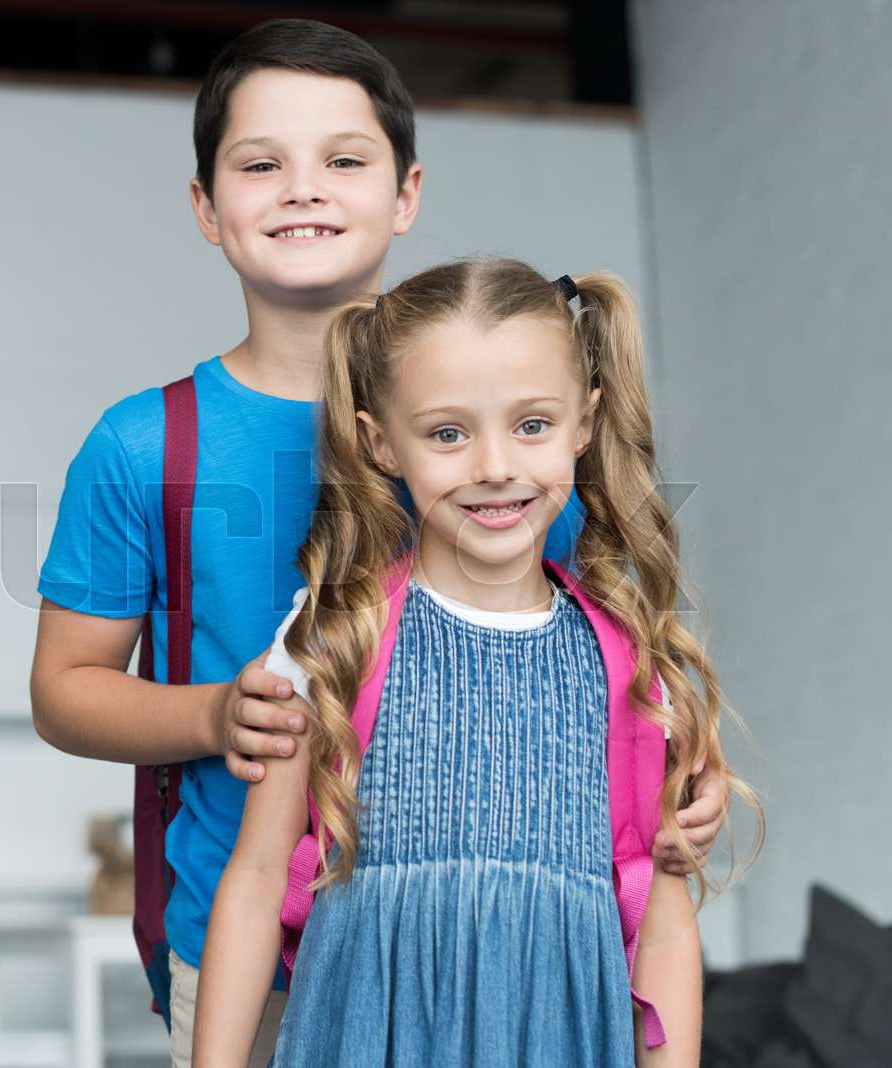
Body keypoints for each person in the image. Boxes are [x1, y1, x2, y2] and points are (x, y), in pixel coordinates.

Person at [29, 21, 730, 1066]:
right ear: (204, 206)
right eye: (260, 164)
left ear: (405, 193)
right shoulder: (145, 443)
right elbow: (63, 690)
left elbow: (600, 677)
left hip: (509, 977)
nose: (303, 189)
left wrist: (676, 782)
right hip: (251, 952)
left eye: (343, 160)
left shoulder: (507, 447)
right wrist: (216, 712)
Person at [193, 259, 762, 1066]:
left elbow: (664, 929)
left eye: (532, 425)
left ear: (585, 424)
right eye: (448, 433)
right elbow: (253, 886)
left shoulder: (627, 669)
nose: (495, 465)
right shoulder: (334, 642)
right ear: (380, 442)